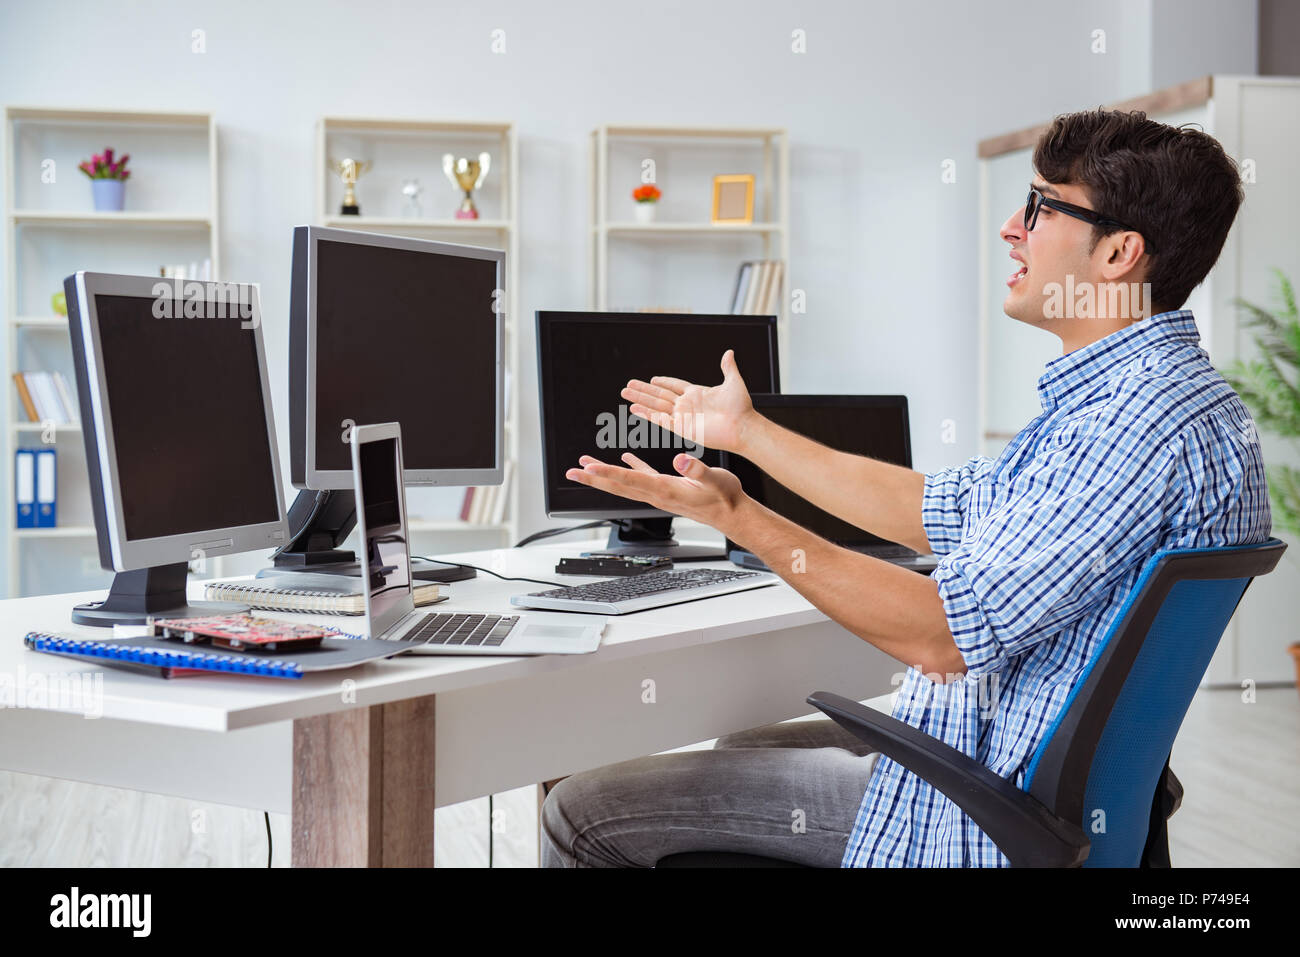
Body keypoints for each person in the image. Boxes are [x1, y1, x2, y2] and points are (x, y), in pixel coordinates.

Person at [541, 108, 1271, 867]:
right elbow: (939, 509)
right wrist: (748, 433)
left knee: (580, 809)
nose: (1010, 230)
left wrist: (741, 516)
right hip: (1020, 767)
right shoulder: (1164, 400)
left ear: (1118, 252)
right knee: (746, 745)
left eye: (1040, 208)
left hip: (977, 812)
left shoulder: (1130, 426)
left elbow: (942, 637)